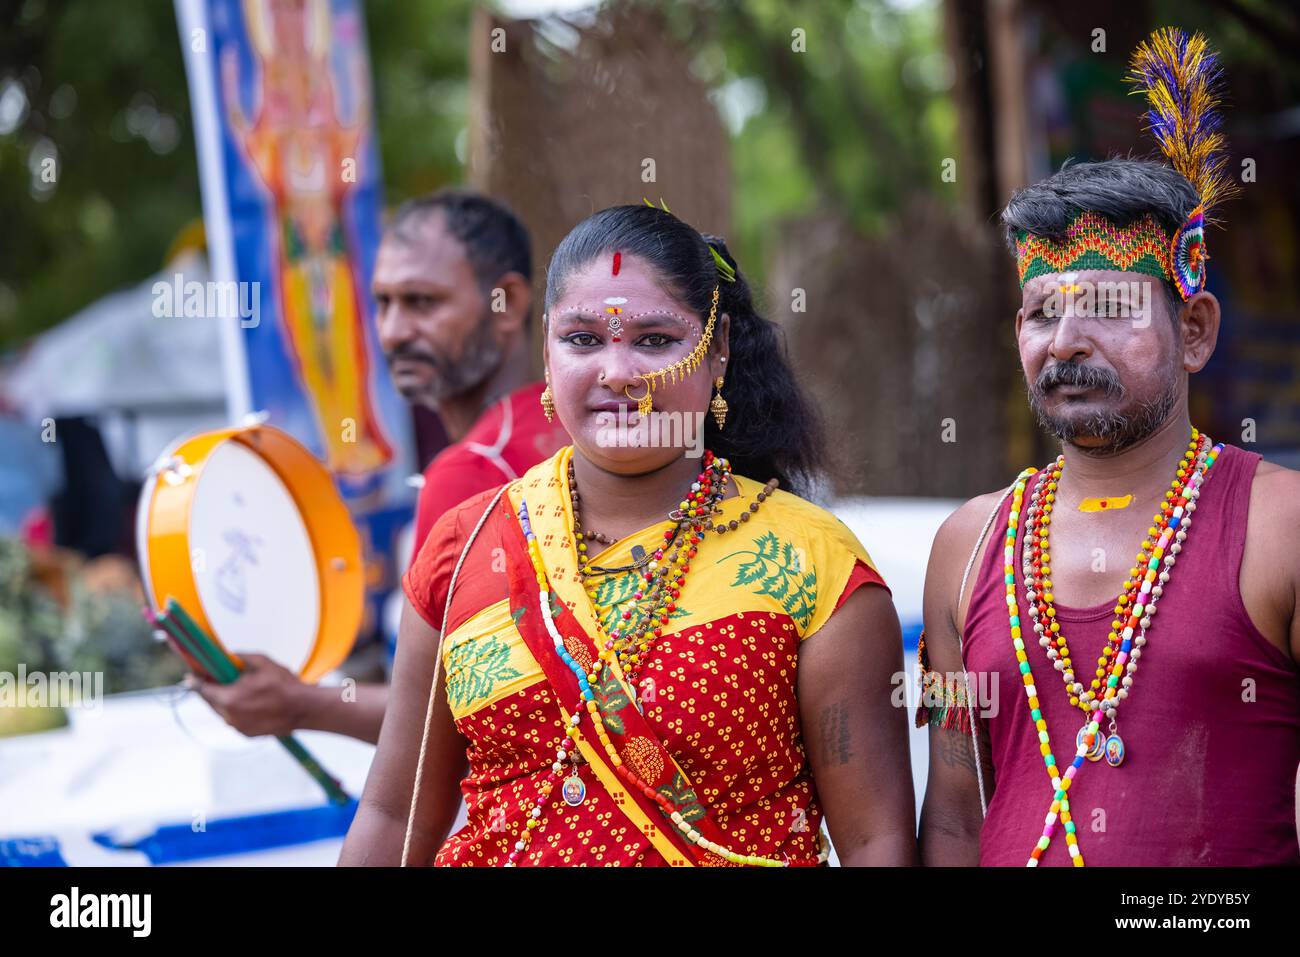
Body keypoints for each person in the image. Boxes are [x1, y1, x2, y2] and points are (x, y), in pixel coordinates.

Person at [340, 203, 917, 866]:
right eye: (583, 339)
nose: (616, 371)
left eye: (654, 339)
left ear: (718, 346)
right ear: (547, 353)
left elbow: (877, 840)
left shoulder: (811, 561)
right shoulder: (465, 546)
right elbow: (392, 815)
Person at [917, 29, 1300, 866]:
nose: (1069, 342)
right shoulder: (965, 548)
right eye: (1045, 313)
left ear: (1194, 330)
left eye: (1111, 307)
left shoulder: (1283, 525)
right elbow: (951, 812)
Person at [192, 190, 566, 744]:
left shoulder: (468, 471)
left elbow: (441, 730)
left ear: (505, 303)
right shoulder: (570, 429)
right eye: (383, 303)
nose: (392, 331)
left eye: (421, 302)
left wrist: (295, 704)